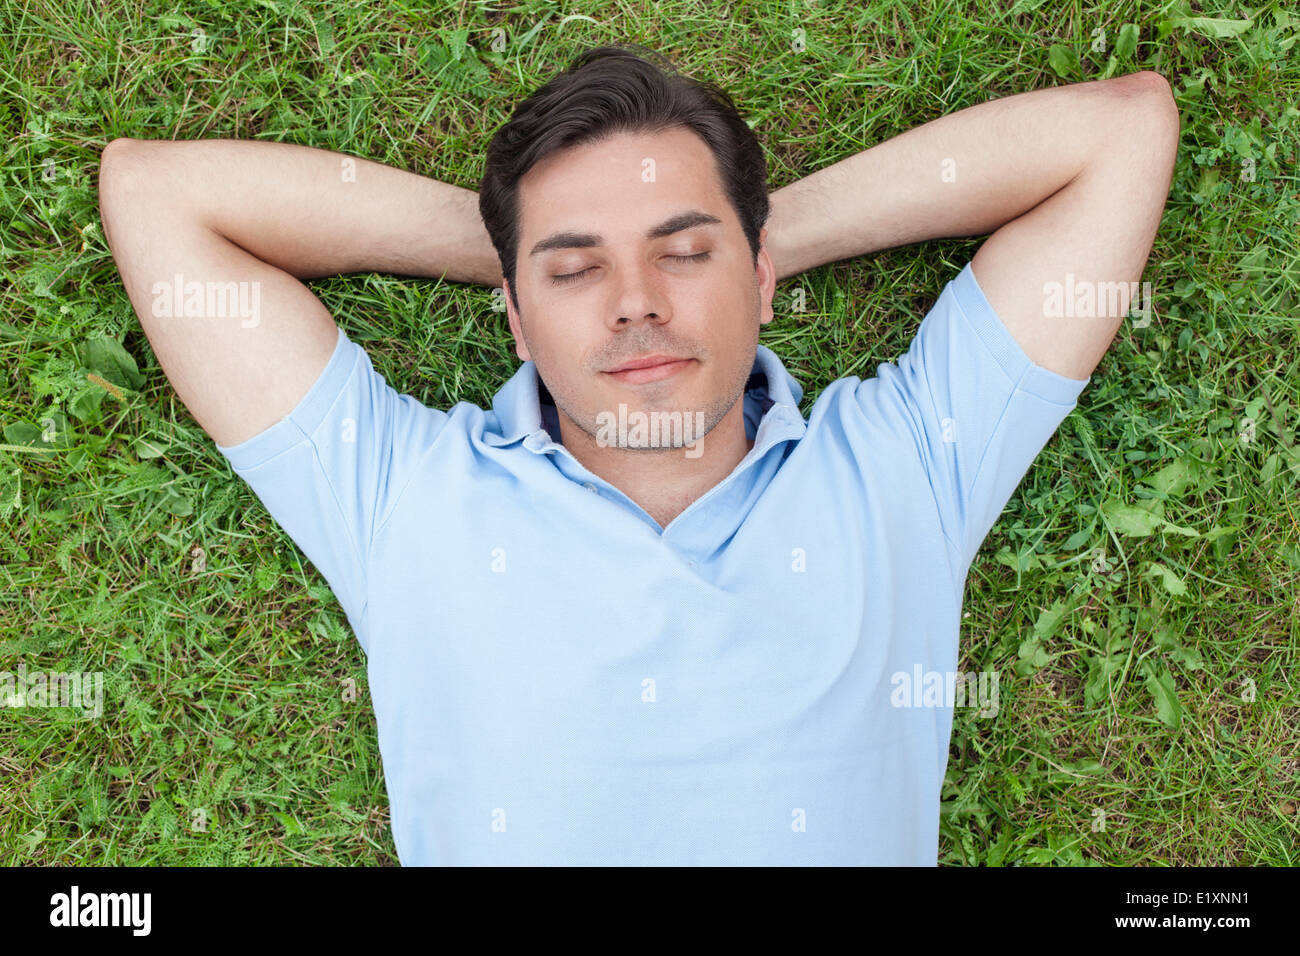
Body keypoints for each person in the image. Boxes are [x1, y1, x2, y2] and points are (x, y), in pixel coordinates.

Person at [97, 44, 1179, 865]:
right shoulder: (404, 497)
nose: (636, 306)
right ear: (512, 312)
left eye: (685, 254)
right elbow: (158, 194)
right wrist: (551, 249)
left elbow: (1120, 132)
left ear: (761, 276)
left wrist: (741, 235)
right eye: (576, 275)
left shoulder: (905, 461)